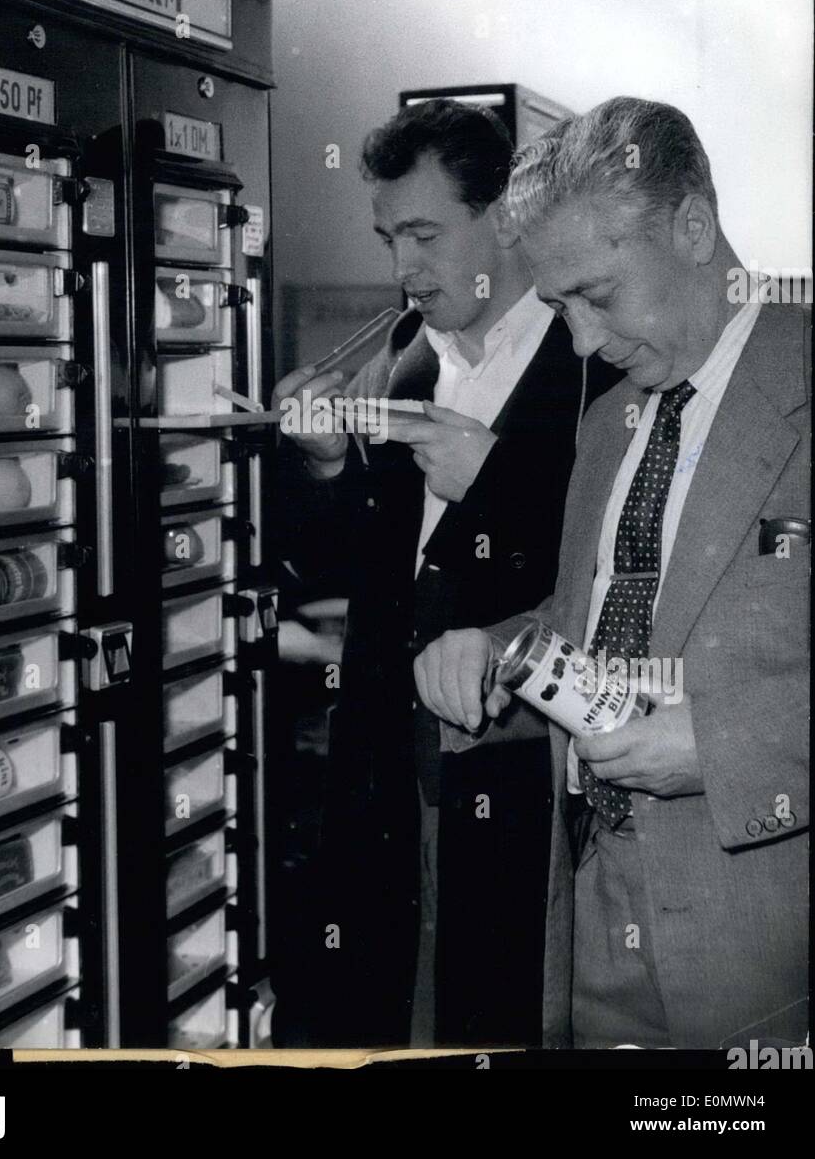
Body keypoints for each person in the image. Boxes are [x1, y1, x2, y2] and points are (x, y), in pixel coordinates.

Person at [414, 96, 810, 1049]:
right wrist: (494, 649)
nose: (583, 343)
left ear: (690, 226)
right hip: (590, 928)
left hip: (769, 952)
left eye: (595, 294)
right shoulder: (608, 428)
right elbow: (582, 625)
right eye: (557, 308)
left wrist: (721, 746)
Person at [270, 99, 619, 1046]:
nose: (402, 269)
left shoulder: (593, 363)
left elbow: (621, 568)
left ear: (504, 216)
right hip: (393, 774)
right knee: (395, 1008)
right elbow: (367, 570)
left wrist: (494, 485)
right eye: (389, 238)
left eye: (423, 234)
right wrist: (328, 465)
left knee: (498, 1008)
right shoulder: (402, 363)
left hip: (520, 778)